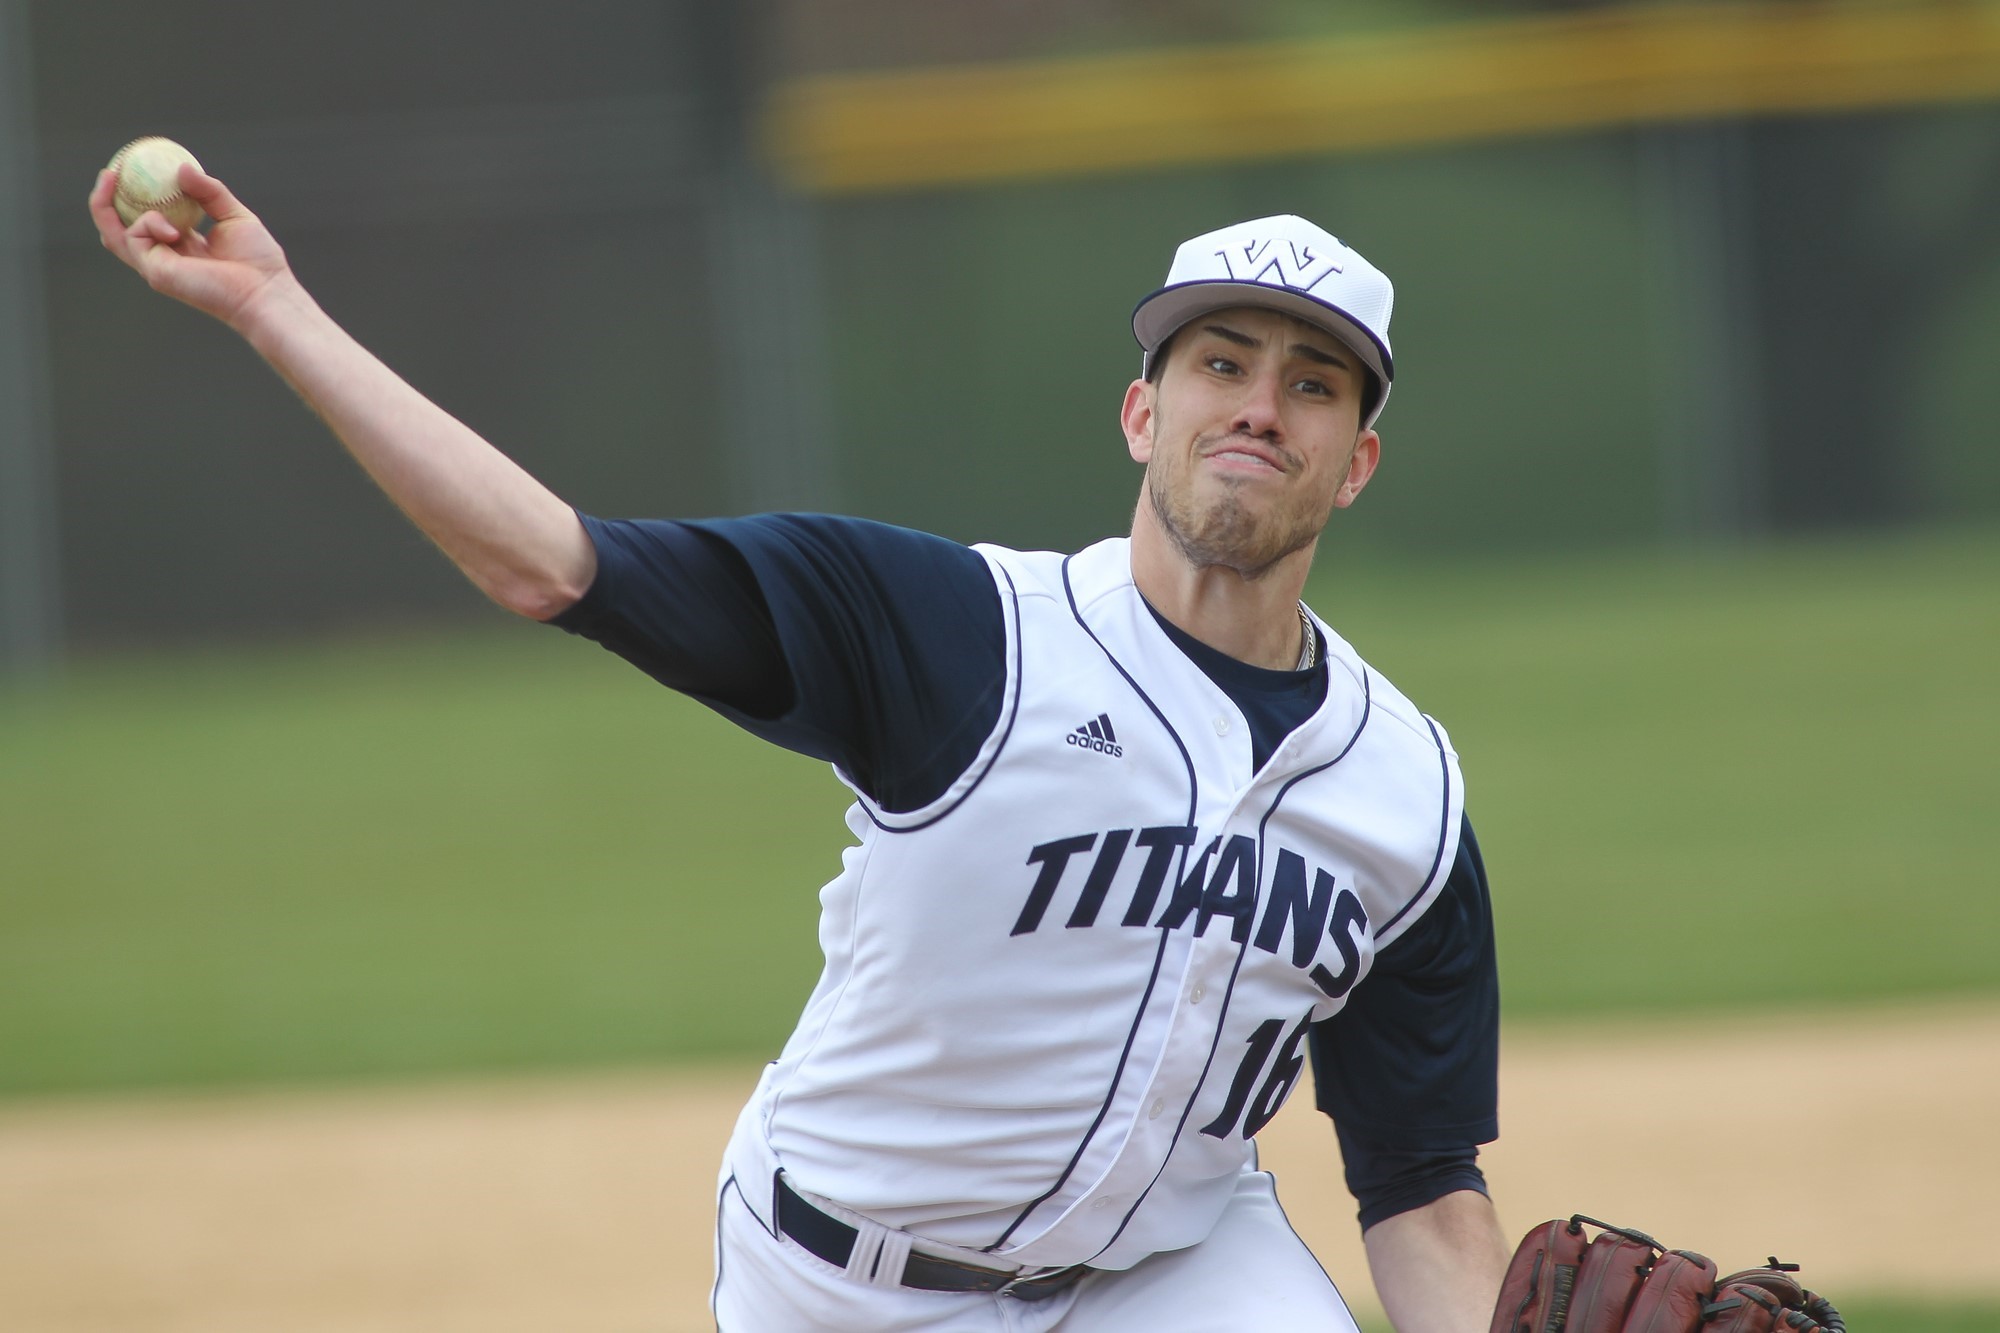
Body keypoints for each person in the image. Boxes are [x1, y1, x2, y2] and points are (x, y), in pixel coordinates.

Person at [92, 162, 1510, 1331]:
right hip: (849, 1280)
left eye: (1316, 384)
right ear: (1146, 413)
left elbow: (1421, 1183)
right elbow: (553, 563)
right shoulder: (958, 629)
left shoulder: (1405, 796)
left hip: (1175, 1278)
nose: (1262, 403)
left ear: (1357, 458)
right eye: (1221, 361)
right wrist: (278, 310)